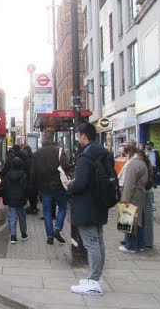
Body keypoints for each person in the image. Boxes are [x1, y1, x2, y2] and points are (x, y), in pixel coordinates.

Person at [66, 122, 110, 296]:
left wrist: (70, 185)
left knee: (92, 243)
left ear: (84, 136)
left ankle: (94, 281)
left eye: (78, 136)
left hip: (87, 206)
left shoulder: (85, 157)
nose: (78, 139)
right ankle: (95, 278)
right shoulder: (103, 153)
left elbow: (81, 183)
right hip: (100, 203)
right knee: (98, 241)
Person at [31, 130, 71, 245]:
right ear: (53, 138)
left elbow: (33, 172)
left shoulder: (37, 153)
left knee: (47, 212)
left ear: (43, 139)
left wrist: (36, 187)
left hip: (44, 188)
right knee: (62, 207)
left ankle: (49, 237)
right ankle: (57, 229)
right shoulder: (59, 150)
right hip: (59, 186)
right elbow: (66, 166)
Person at [118, 142, 149, 253]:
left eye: (123, 154)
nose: (122, 157)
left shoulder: (133, 164)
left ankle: (131, 245)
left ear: (129, 153)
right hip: (139, 194)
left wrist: (125, 200)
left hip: (133, 196)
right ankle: (140, 244)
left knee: (130, 220)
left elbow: (129, 184)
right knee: (139, 221)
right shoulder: (141, 162)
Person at [3, 155, 30, 244]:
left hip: (11, 199)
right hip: (21, 199)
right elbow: (25, 188)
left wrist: (5, 199)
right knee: (22, 216)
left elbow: (5, 188)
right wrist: (26, 198)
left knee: (12, 217)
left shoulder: (8, 175)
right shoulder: (23, 175)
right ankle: (23, 234)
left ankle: (13, 236)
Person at [21, 144, 39, 214]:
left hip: (30, 179)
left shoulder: (28, 159)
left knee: (31, 194)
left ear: (27, 151)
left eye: (24, 151)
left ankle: (33, 208)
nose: (24, 152)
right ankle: (33, 207)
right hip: (33, 179)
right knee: (33, 194)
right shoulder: (32, 157)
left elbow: (27, 169)